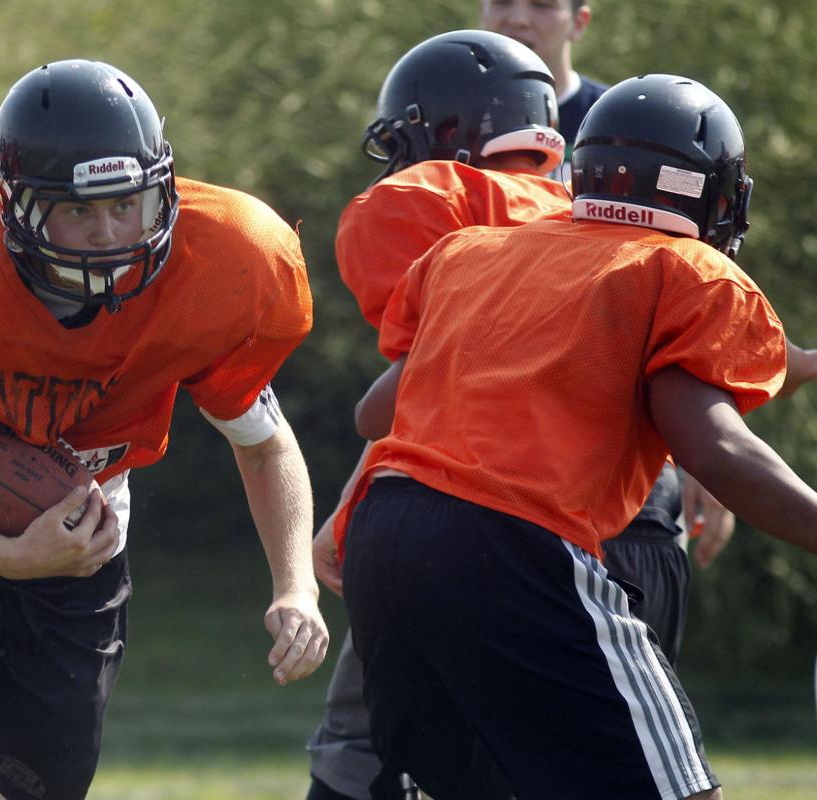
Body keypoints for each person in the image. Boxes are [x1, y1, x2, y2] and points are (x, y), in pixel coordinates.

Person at [0, 59, 329, 800]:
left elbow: (262, 444)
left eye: (128, 204)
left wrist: (297, 587)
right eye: (77, 211)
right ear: (17, 206)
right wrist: (1, 553)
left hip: (82, 545)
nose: (109, 234)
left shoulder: (226, 261)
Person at [337, 73, 817, 800]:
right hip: (513, 544)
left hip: (387, 535)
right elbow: (715, 448)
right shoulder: (681, 267)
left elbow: (376, 414)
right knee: (676, 791)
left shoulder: (477, 250)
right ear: (709, 192)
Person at [305, 30, 568, 800]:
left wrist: (354, 501)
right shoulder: (594, 218)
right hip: (595, 522)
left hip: (453, 520)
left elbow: (403, 395)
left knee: (370, 749)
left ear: (440, 132)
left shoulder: (430, 205)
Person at [480, 0, 604, 163]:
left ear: (578, 23)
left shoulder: (615, 120)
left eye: (541, 5)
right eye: (502, 2)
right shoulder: (445, 113)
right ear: (483, 10)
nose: (518, 20)